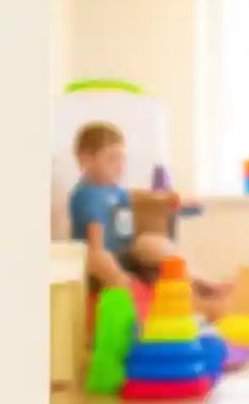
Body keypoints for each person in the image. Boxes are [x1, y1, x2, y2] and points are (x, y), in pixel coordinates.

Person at [68, 122, 228, 319]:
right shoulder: (88, 196)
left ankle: (199, 283)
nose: (119, 167)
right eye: (111, 159)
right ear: (86, 161)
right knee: (102, 258)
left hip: (126, 254)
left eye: (121, 159)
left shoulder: (114, 190)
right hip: (103, 258)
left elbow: (133, 197)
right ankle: (191, 302)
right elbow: (96, 248)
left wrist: (166, 199)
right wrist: (119, 278)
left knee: (153, 243)